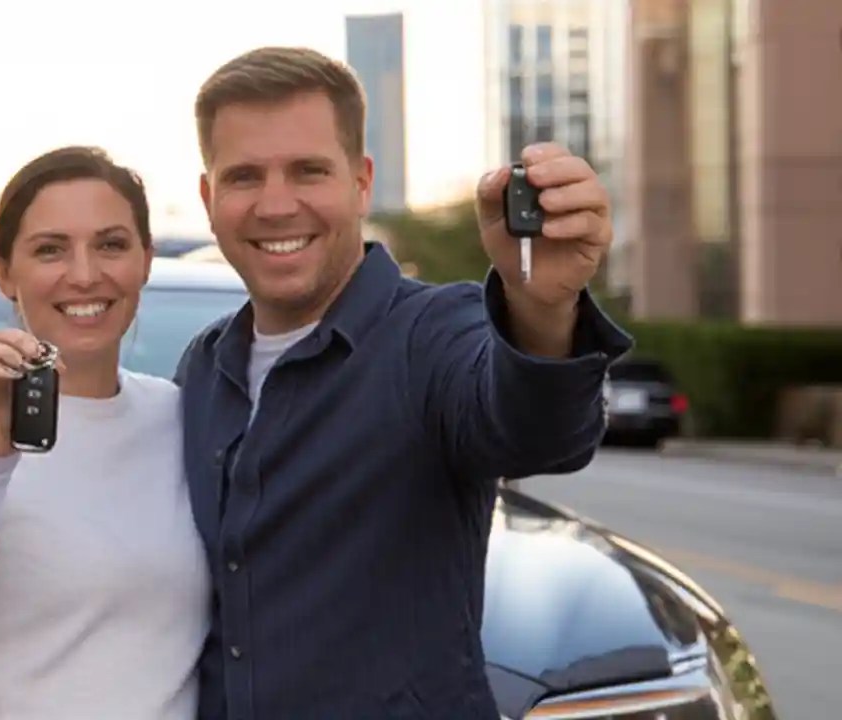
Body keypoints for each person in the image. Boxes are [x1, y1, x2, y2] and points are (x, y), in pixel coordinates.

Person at [173, 47, 635, 719]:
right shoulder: (202, 368)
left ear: (361, 183)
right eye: (245, 176)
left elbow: (536, 433)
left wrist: (543, 308)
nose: (275, 205)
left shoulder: (433, 335)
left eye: (308, 171)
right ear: (209, 199)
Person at [0, 145, 210, 719]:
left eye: (111, 245)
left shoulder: (183, 417)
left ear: (146, 261)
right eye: (51, 249)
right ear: (5, 272)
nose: (85, 275)